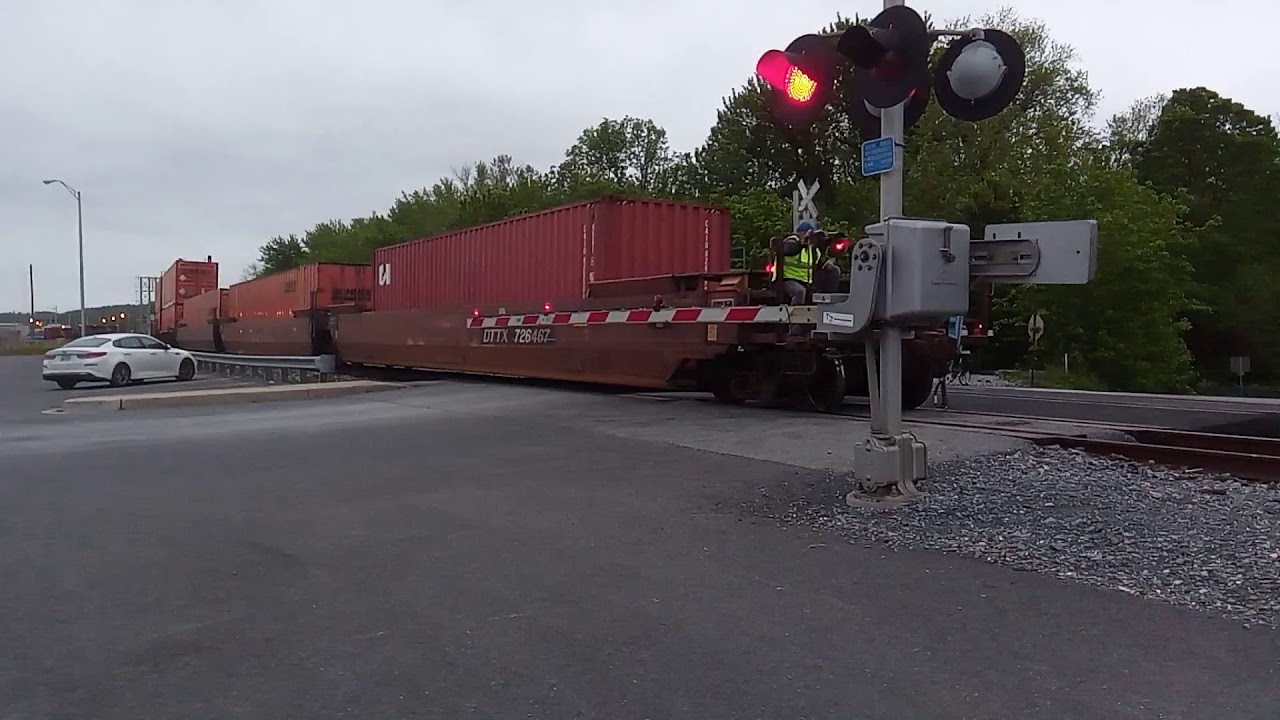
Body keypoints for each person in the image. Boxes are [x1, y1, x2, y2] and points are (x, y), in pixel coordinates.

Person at [771, 220, 819, 335]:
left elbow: (818, 261)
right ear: (801, 233)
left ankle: (812, 328)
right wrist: (801, 244)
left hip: (804, 281)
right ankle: (794, 329)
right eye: (807, 233)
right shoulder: (792, 241)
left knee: (817, 296)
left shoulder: (812, 248)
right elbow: (788, 250)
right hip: (786, 280)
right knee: (799, 292)